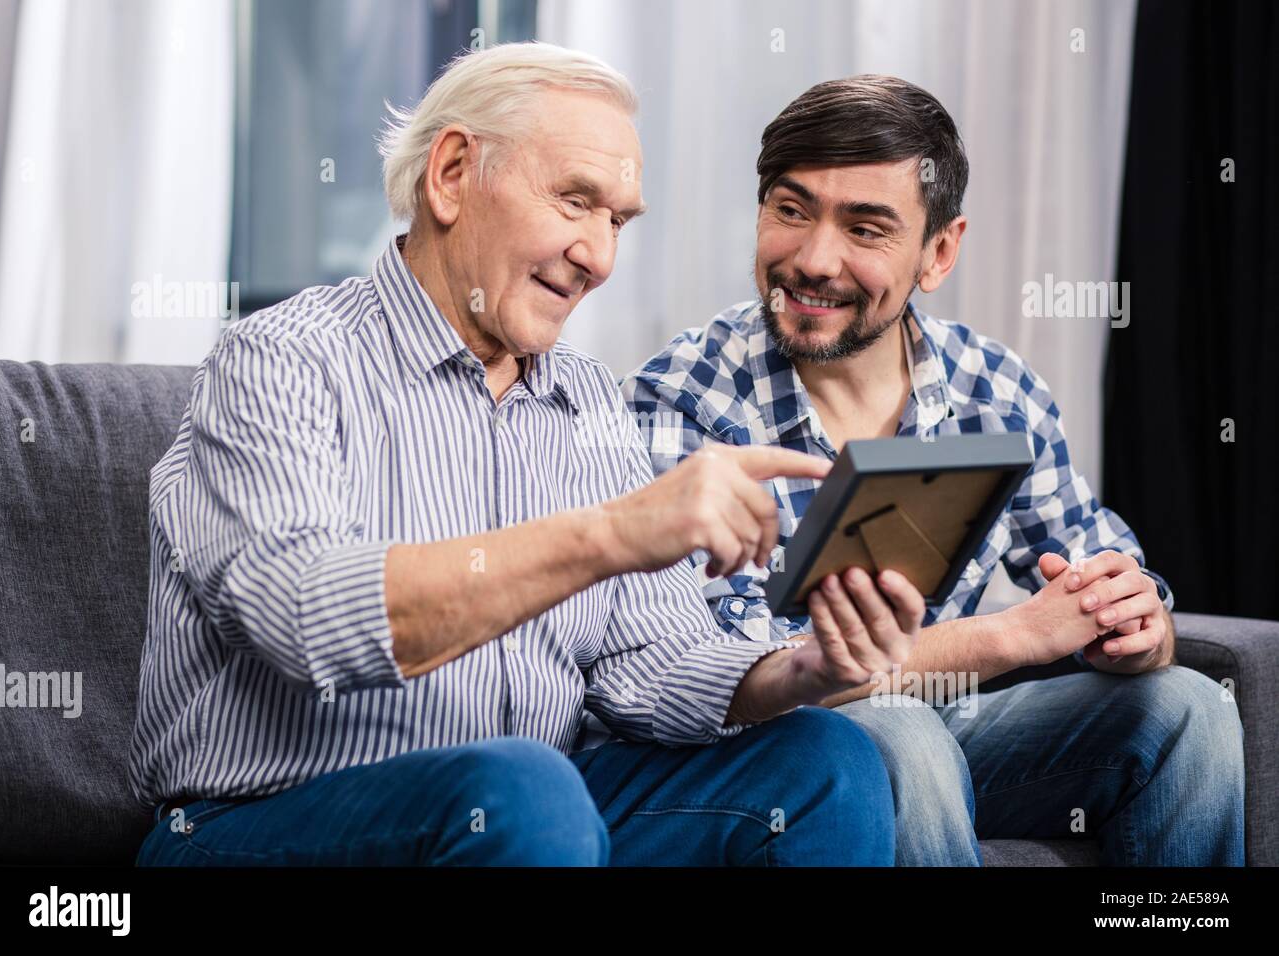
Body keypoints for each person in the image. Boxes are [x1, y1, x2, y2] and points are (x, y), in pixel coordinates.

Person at [128, 44, 920, 867]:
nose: (600, 257)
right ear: (452, 175)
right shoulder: (281, 359)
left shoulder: (584, 397)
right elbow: (303, 617)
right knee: (525, 789)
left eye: (616, 220)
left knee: (827, 762)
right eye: (576, 200)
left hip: (537, 823)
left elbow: (652, 661)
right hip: (266, 823)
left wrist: (807, 668)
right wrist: (611, 534)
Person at [623, 75, 1244, 866]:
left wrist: (1133, 620)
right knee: (901, 733)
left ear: (938, 252)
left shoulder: (994, 387)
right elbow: (739, 675)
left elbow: (1102, 558)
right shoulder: (681, 398)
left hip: (939, 722)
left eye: (866, 228)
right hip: (769, 760)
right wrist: (1011, 636)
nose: (814, 259)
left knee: (1188, 706)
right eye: (790, 209)